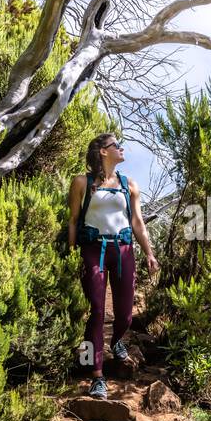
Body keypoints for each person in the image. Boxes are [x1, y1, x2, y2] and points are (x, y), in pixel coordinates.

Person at [68, 133, 159, 399]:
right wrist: (72, 255)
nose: (121, 148)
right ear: (102, 152)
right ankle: (96, 375)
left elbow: (138, 223)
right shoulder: (81, 182)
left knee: (125, 313)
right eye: (115, 145)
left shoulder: (128, 184)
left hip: (123, 251)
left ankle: (117, 341)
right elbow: (73, 220)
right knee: (96, 309)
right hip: (93, 249)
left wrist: (150, 254)